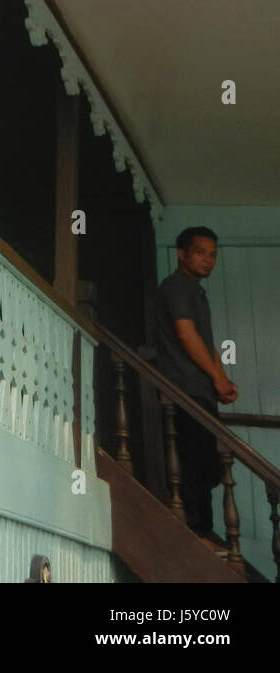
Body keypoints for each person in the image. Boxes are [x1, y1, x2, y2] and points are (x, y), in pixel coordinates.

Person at [153, 226, 238, 548]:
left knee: (207, 464)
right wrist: (217, 378)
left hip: (200, 389)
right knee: (195, 461)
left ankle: (201, 531)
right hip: (183, 388)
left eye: (213, 255)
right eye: (200, 252)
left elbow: (205, 342)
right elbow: (186, 335)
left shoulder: (196, 292)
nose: (208, 260)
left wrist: (221, 381)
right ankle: (197, 534)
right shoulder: (176, 287)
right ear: (181, 255)